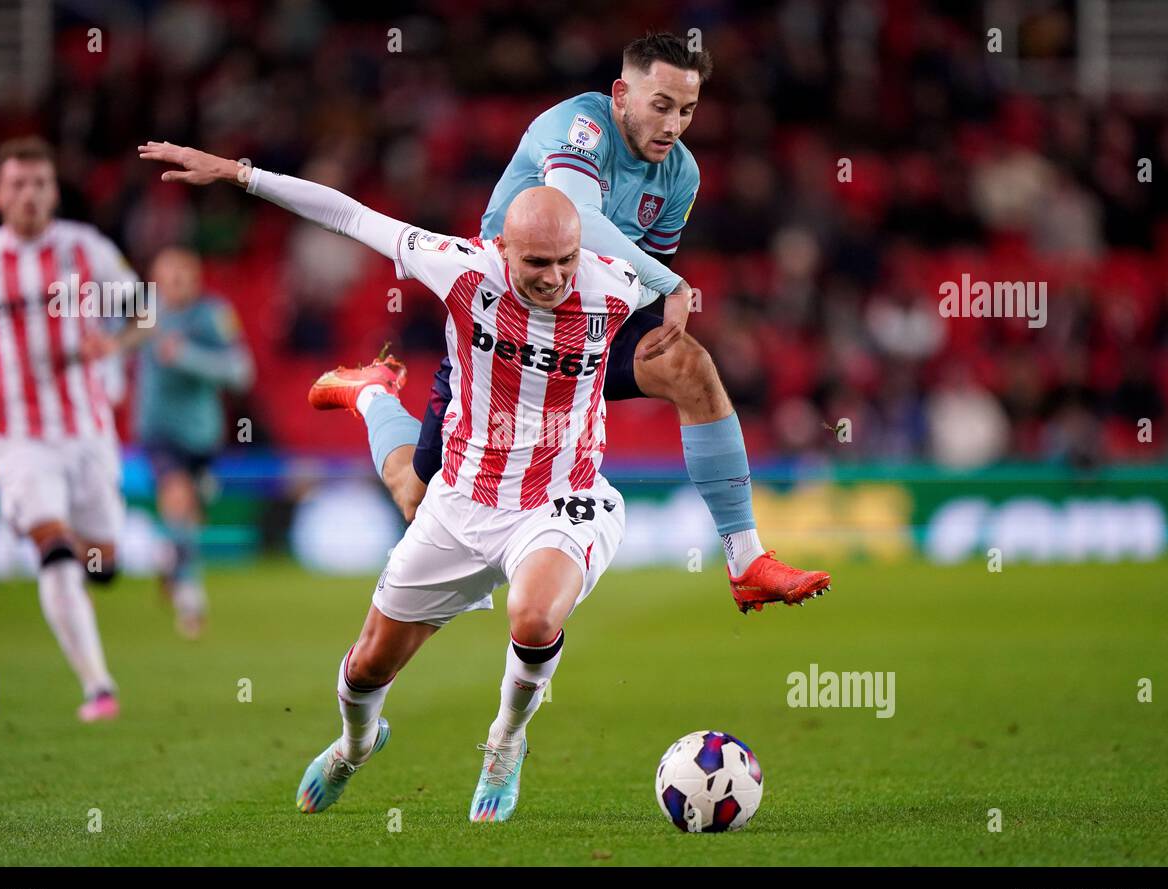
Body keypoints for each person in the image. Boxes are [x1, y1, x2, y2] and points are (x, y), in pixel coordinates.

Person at [140, 139, 653, 822]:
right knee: (365, 668)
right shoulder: (462, 268)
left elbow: (677, 293)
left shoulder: (618, 283)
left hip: (564, 497)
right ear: (501, 250)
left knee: (532, 617)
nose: (556, 277)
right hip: (463, 500)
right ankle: (356, 746)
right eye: (536, 263)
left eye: (566, 261)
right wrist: (240, 174)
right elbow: (350, 216)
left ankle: (506, 740)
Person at [307, 31, 831, 612]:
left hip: (584, 327)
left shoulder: (681, 174)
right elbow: (579, 215)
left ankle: (746, 558)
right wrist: (671, 284)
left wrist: (630, 305)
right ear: (621, 94)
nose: (673, 124)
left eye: (687, 110)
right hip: (499, 329)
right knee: (414, 493)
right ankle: (375, 396)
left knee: (690, 367)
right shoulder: (576, 127)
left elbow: (636, 279)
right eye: (660, 106)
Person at [0, 136, 149, 721]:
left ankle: (84, 556)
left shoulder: (87, 250)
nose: (30, 195)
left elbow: (143, 311)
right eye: (18, 184)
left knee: (102, 564)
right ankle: (98, 687)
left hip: (87, 430)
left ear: (53, 191)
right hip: (17, 435)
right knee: (54, 550)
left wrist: (112, 341)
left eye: (40, 184)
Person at [137, 247, 253, 637]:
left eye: (183, 275)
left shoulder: (213, 315)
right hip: (157, 431)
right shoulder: (141, 311)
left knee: (190, 513)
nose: (175, 284)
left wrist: (186, 356)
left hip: (202, 435)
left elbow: (241, 372)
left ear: (196, 278)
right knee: (178, 496)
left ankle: (170, 558)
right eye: (167, 276)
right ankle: (190, 595)